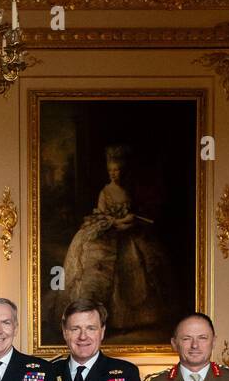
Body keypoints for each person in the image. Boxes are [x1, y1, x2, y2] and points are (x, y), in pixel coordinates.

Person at [61, 144, 172, 339]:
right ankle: (107, 321)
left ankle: (128, 320)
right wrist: (117, 222)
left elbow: (131, 212)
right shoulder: (105, 191)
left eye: (118, 170)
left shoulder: (127, 190)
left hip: (128, 237)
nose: (114, 174)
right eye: (111, 170)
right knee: (105, 274)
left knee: (132, 272)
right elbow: (102, 215)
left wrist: (129, 220)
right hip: (109, 235)